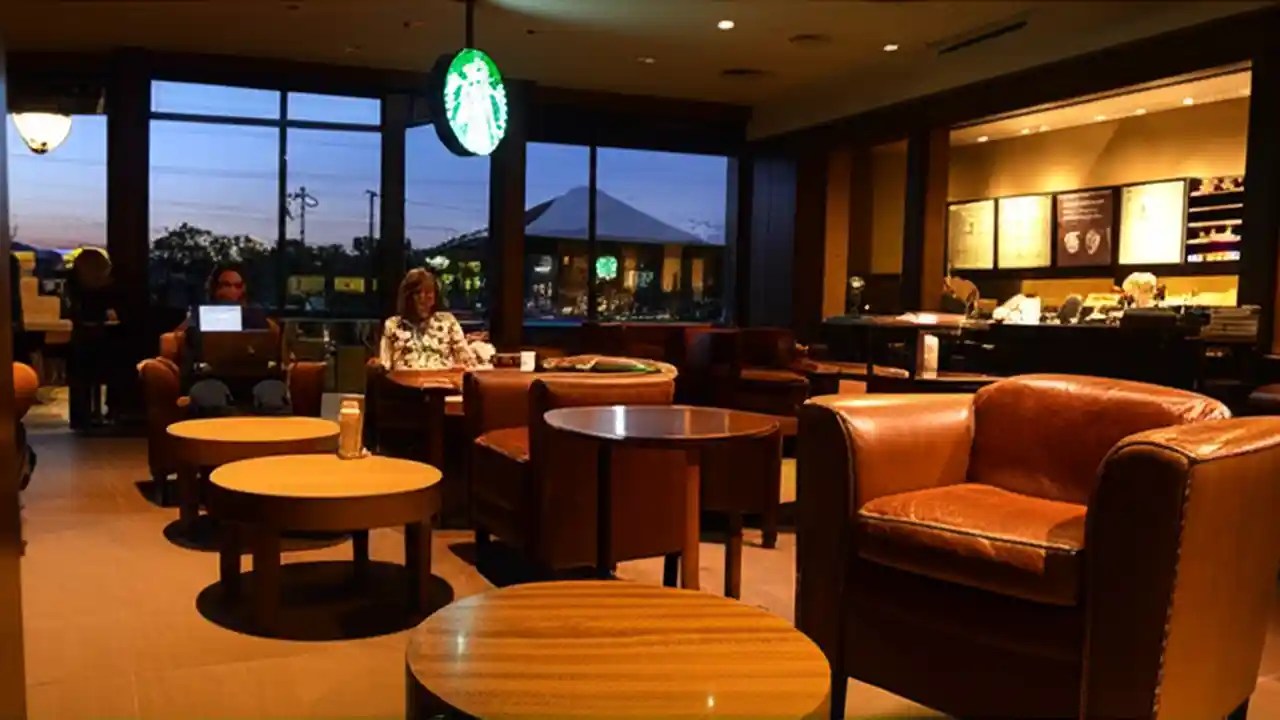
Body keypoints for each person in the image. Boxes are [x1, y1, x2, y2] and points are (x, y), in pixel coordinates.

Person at [183, 264, 289, 416]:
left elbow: (273, 350)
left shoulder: (255, 316)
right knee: (209, 398)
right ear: (214, 288)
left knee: (273, 397)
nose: (232, 291)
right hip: (210, 378)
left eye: (237, 286)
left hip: (256, 378)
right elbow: (178, 339)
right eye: (226, 285)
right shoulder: (200, 315)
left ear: (243, 289)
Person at [380, 268, 475, 370]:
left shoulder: (448, 322)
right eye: (417, 293)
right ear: (407, 297)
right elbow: (384, 365)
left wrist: (460, 368)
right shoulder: (393, 324)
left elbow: (467, 361)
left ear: (435, 296)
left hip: (443, 382)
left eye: (428, 292)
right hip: (404, 384)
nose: (422, 298)